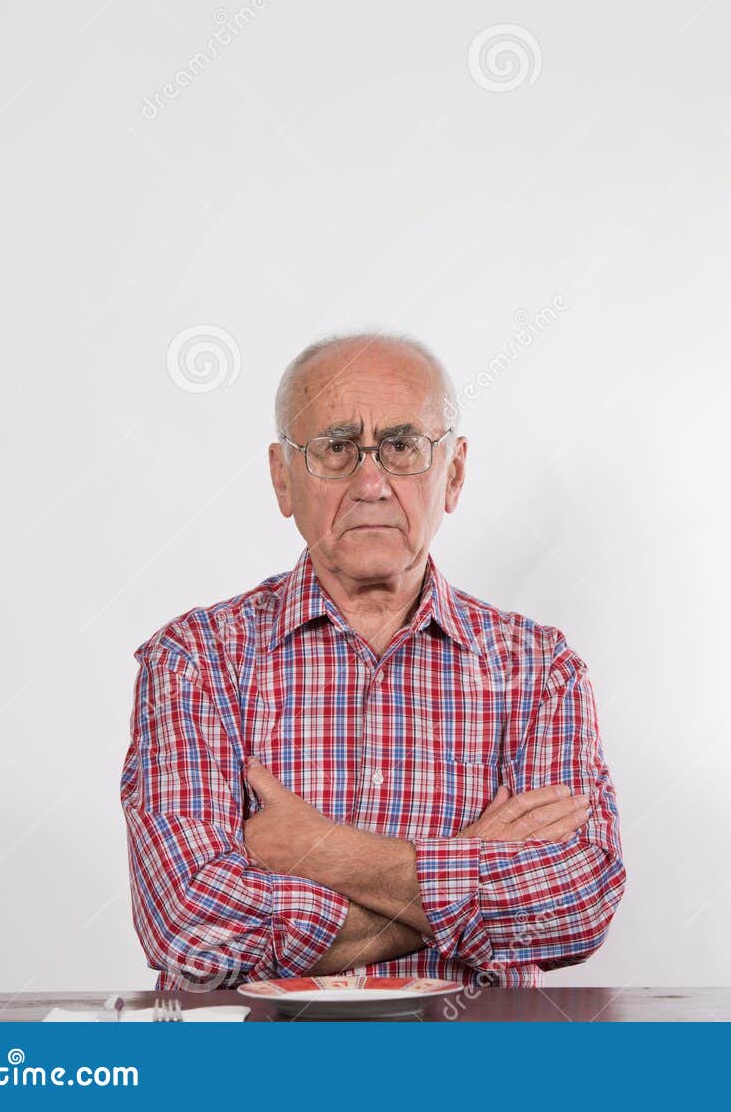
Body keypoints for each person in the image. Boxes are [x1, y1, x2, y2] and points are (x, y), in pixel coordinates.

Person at [122, 332, 625, 988]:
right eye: (335, 449)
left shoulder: (537, 669)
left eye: (402, 446)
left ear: (455, 472)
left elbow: (575, 906)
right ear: (283, 477)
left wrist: (323, 852)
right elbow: (191, 930)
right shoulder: (195, 661)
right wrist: (470, 866)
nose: (370, 482)